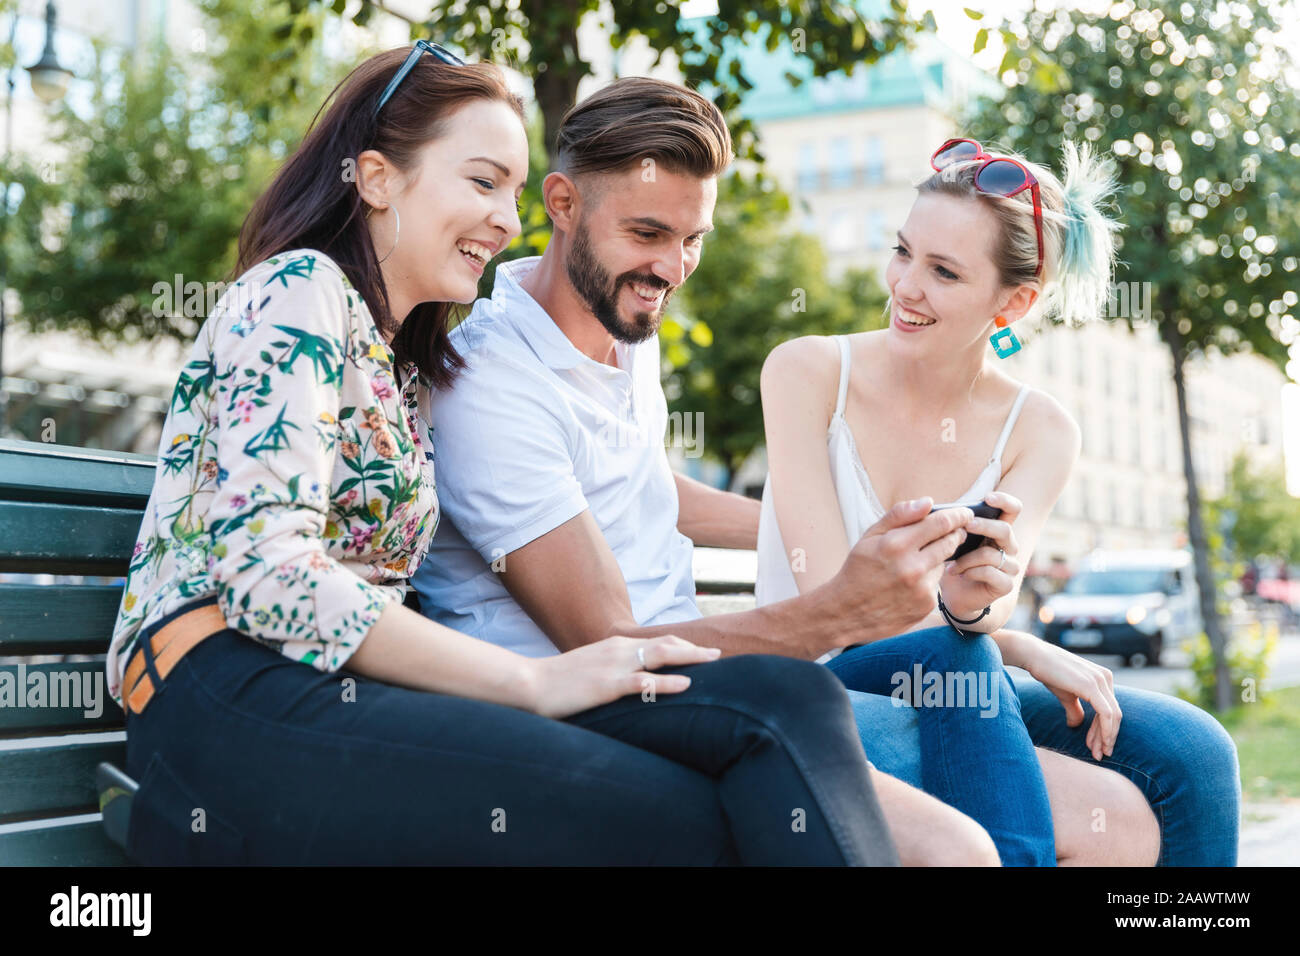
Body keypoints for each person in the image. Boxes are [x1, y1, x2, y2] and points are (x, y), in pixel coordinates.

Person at [105, 43, 906, 866]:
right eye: (483, 181)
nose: (505, 217)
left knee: (762, 725)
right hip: (225, 700)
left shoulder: (403, 363)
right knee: (719, 784)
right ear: (377, 180)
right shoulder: (297, 291)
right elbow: (267, 574)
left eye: (513, 191)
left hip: (336, 699)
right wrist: (531, 683)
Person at [411, 76, 1154, 866]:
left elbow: (646, 495)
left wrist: (940, 586)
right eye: (648, 233)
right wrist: (841, 607)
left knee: (1149, 791)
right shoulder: (492, 383)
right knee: (999, 832)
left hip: (705, 677)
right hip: (600, 707)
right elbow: (611, 645)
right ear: (561, 204)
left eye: (692, 238)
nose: (672, 266)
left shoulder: (619, 321)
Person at [757, 138, 1241, 865]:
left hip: (959, 669)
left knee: (1195, 749)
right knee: (963, 665)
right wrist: (1009, 643)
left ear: (1013, 302)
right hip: (823, 668)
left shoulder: (1041, 428)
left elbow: (980, 611)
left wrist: (983, 601)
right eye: (903, 251)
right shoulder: (808, 371)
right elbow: (838, 602)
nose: (905, 286)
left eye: (944, 271)